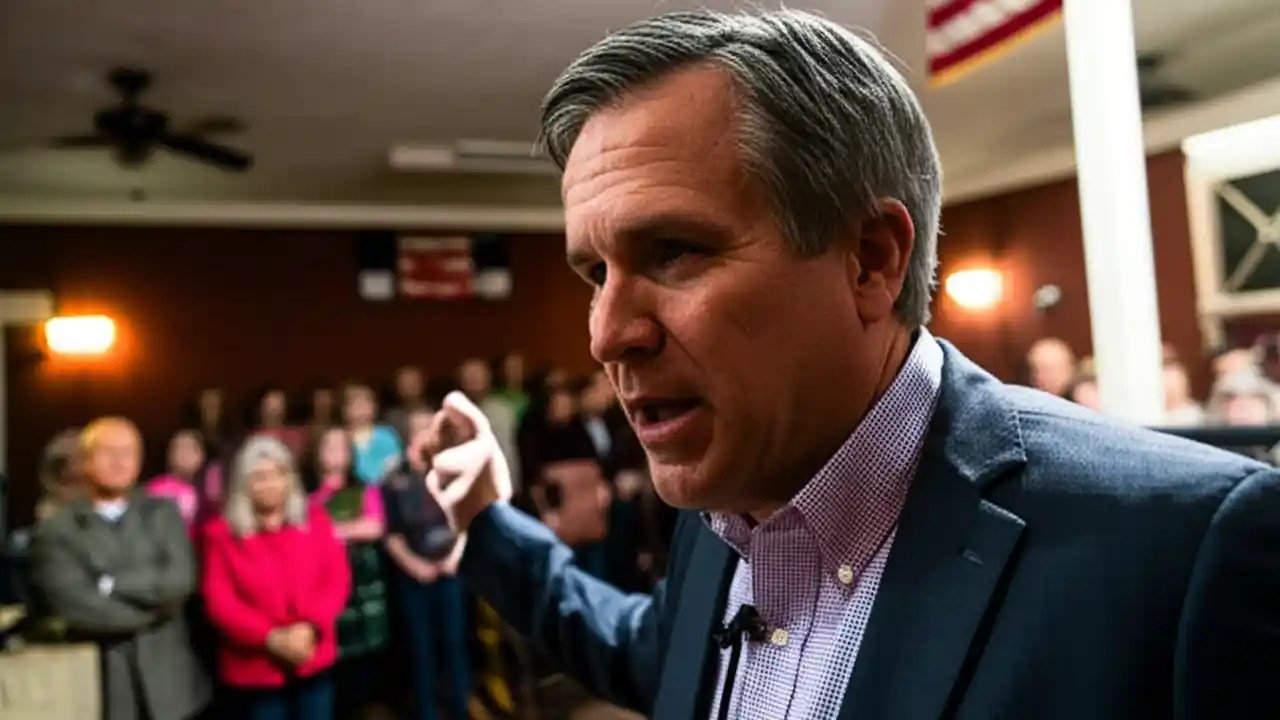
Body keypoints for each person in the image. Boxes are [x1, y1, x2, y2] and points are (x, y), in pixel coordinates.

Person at [420, 9, 1280, 720]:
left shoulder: (1185, 552)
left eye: (674, 251)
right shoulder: (727, 502)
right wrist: (488, 517)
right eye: (595, 274)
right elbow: (649, 654)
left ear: (869, 260)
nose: (607, 334)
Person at [29, 417, 211, 720]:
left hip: (172, 685)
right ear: (85, 461)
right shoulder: (57, 530)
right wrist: (156, 611)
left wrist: (111, 584)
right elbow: (74, 605)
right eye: (108, 451)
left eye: (128, 452)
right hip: (101, 684)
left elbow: (180, 582)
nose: (119, 461)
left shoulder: (163, 513)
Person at [202, 435, 351, 720]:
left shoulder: (315, 519)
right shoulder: (220, 534)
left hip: (313, 652)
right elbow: (219, 600)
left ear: (290, 478)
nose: (270, 484)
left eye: (278, 474)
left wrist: (309, 628)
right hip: (256, 666)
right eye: (259, 477)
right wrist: (270, 638)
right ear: (244, 484)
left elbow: (336, 578)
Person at [382, 409, 472, 720]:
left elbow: (469, 519)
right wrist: (416, 566)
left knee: (456, 644)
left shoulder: (455, 469)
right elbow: (390, 533)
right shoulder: (394, 478)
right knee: (421, 651)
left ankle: (461, 710)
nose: (426, 433)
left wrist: (453, 558)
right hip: (413, 577)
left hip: (452, 571)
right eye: (419, 428)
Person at [310, 426, 390, 719]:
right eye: (328, 445)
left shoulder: (363, 489)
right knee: (335, 659)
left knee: (365, 660)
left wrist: (330, 532)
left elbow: (374, 527)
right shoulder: (308, 496)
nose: (335, 452)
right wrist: (345, 532)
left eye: (342, 446)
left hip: (363, 582)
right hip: (323, 587)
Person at [145, 429, 208, 535]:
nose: (184, 455)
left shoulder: (207, 490)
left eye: (191, 449)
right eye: (179, 449)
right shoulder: (157, 489)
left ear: (201, 456)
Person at [343, 383, 403, 485]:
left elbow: (395, 460)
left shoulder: (387, 435)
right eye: (356, 404)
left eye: (365, 404)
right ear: (346, 409)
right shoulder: (342, 438)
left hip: (384, 488)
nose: (361, 409)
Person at [384, 365, 431, 443]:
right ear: (397, 387)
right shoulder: (391, 417)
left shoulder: (433, 413)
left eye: (413, 382)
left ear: (421, 384)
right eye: (404, 383)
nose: (409, 387)